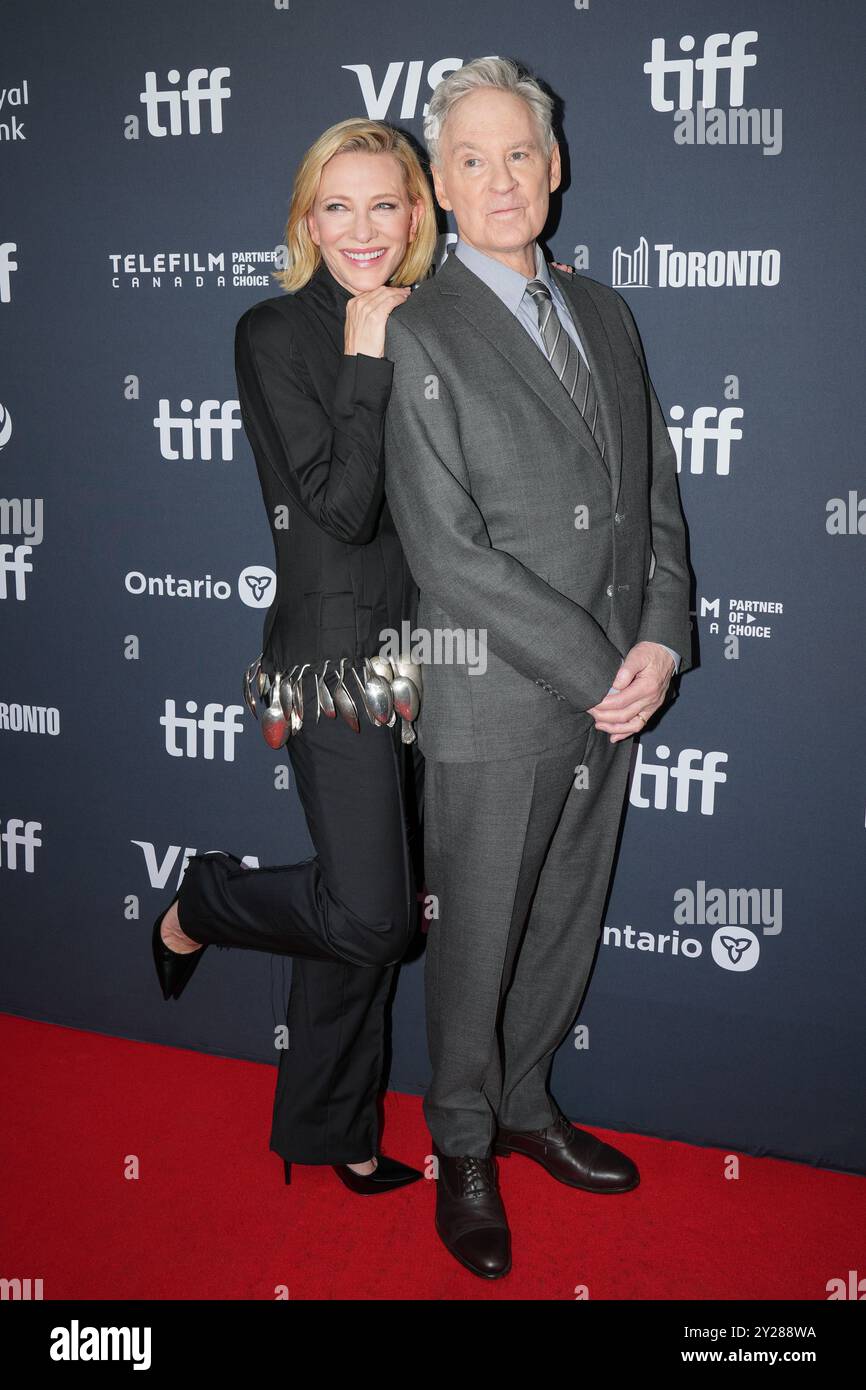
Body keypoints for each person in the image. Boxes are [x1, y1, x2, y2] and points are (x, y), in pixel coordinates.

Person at [382, 58, 692, 1274]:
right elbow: (448, 555)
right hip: (496, 698)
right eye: (472, 159)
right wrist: (603, 664)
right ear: (440, 189)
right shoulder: (420, 330)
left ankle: (522, 1101)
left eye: (520, 153)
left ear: (553, 167)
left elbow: (654, 501)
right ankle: (458, 1140)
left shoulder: (605, 310)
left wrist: (658, 637)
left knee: (563, 917)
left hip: (611, 691)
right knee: (475, 936)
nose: (501, 179)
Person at [151, 118, 437, 1195]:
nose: (360, 229)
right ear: (305, 219)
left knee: (362, 909)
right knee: (372, 911)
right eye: (336, 205)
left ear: (414, 215)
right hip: (332, 659)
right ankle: (204, 902)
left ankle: (331, 1133)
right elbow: (343, 507)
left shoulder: (431, 323)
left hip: (423, 657)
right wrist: (367, 353)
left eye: (382, 205)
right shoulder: (275, 331)